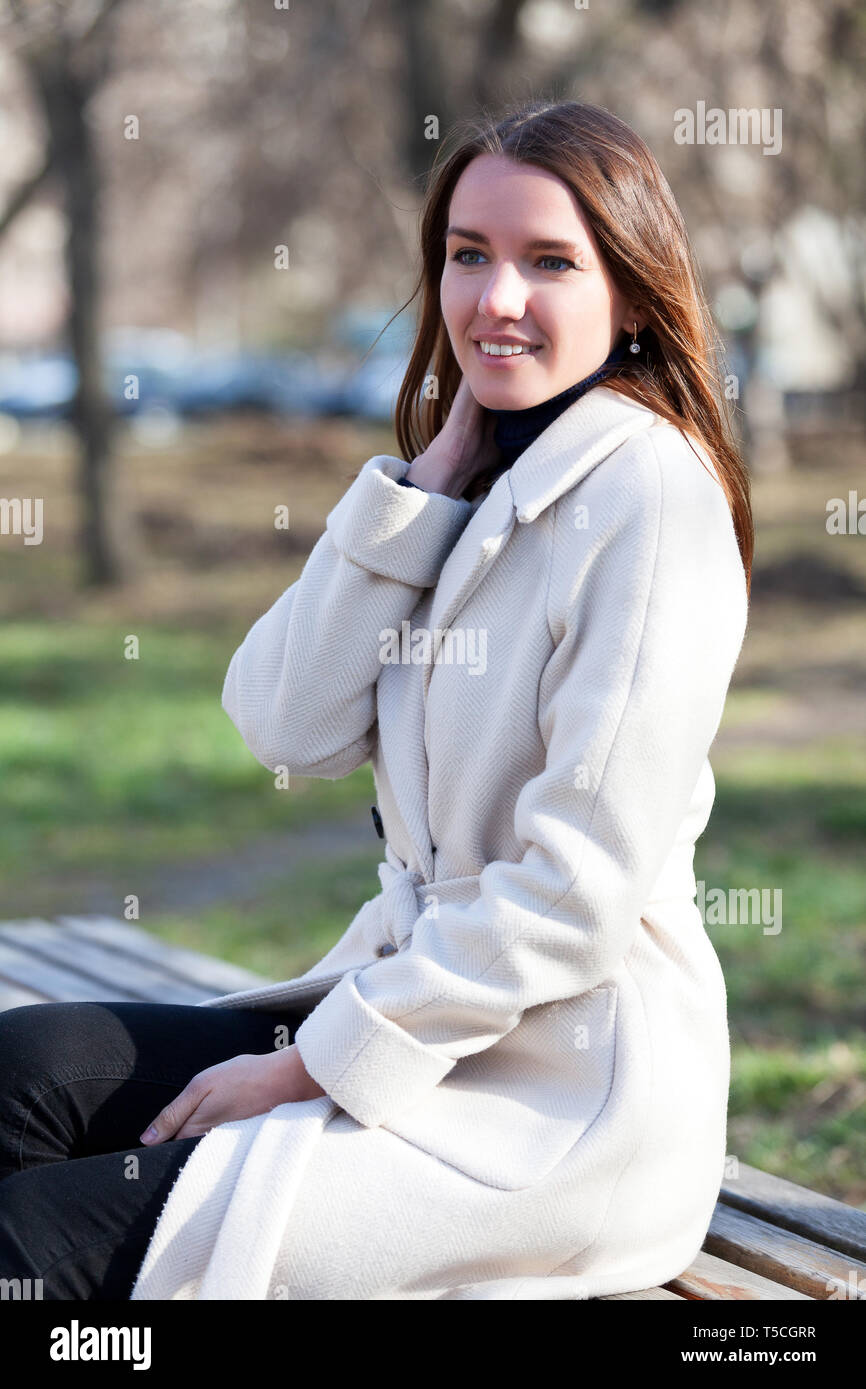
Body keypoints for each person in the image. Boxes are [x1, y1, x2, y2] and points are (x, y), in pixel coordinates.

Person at [0, 98, 752, 1301]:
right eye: (468, 254)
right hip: (425, 1011)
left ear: (628, 291)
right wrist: (423, 484)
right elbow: (283, 723)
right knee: (20, 1071)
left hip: (557, 1103)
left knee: (36, 1246)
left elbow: (570, 897)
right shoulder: (480, 474)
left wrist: (311, 1072)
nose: (493, 299)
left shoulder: (645, 503)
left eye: (548, 262)